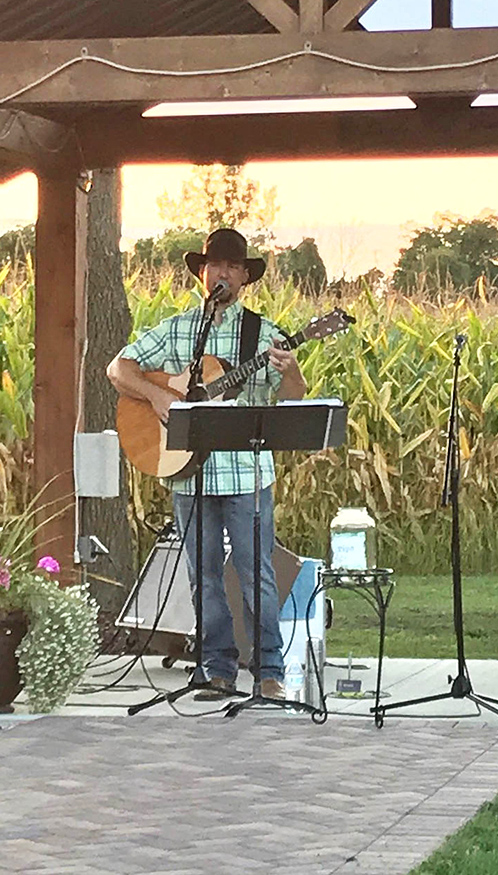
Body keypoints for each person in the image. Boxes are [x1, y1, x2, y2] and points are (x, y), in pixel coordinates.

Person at [107, 228, 307, 700]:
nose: (223, 273)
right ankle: (216, 669)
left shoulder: (264, 333)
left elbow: (293, 399)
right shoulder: (179, 329)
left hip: (245, 472)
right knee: (203, 575)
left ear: (244, 278)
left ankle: (269, 671)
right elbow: (119, 368)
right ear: (202, 272)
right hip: (189, 475)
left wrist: (291, 371)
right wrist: (159, 396)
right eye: (215, 265)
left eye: (233, 267)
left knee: (255, 572)